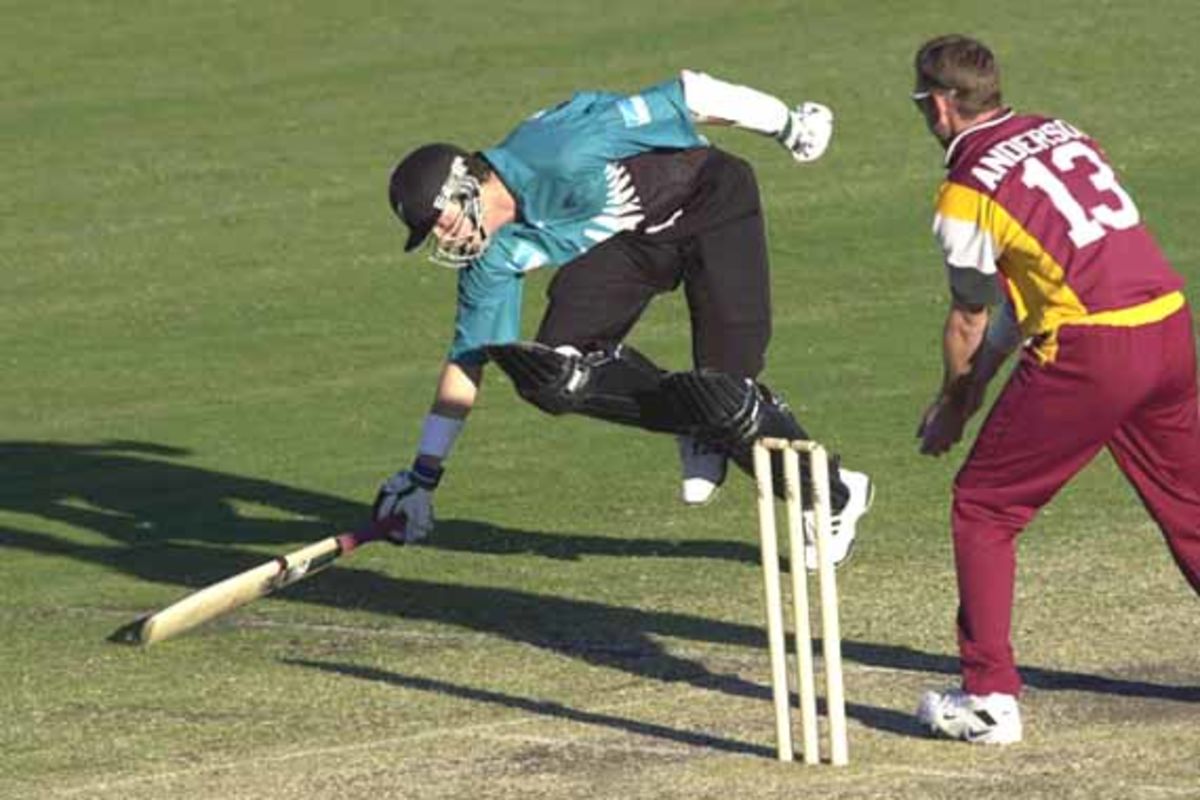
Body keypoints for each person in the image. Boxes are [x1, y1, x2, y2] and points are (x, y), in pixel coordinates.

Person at [375, 70, 874, 570]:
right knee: (551, 374)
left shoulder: (558, 151)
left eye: (441, 224)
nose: (445, 240)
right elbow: (469, 362)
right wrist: (423, 474)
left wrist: (787, 125)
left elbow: (689, 94)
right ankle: (693, 416)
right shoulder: (489, 256)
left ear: (465, 191)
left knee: (729, 394)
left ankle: (834, 496)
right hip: (634, 240)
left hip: (710, 200)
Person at [910, 34, 1200, 744]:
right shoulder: (1057, 128)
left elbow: (973, 315)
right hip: (1167, 325)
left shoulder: (963, 192)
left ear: (943, 105)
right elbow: (1028, 296)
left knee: (983, 506)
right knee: (1190, 500)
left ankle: (987, 698)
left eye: (923, 103)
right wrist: (973, 394)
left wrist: (954, 405)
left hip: (1092, 348)